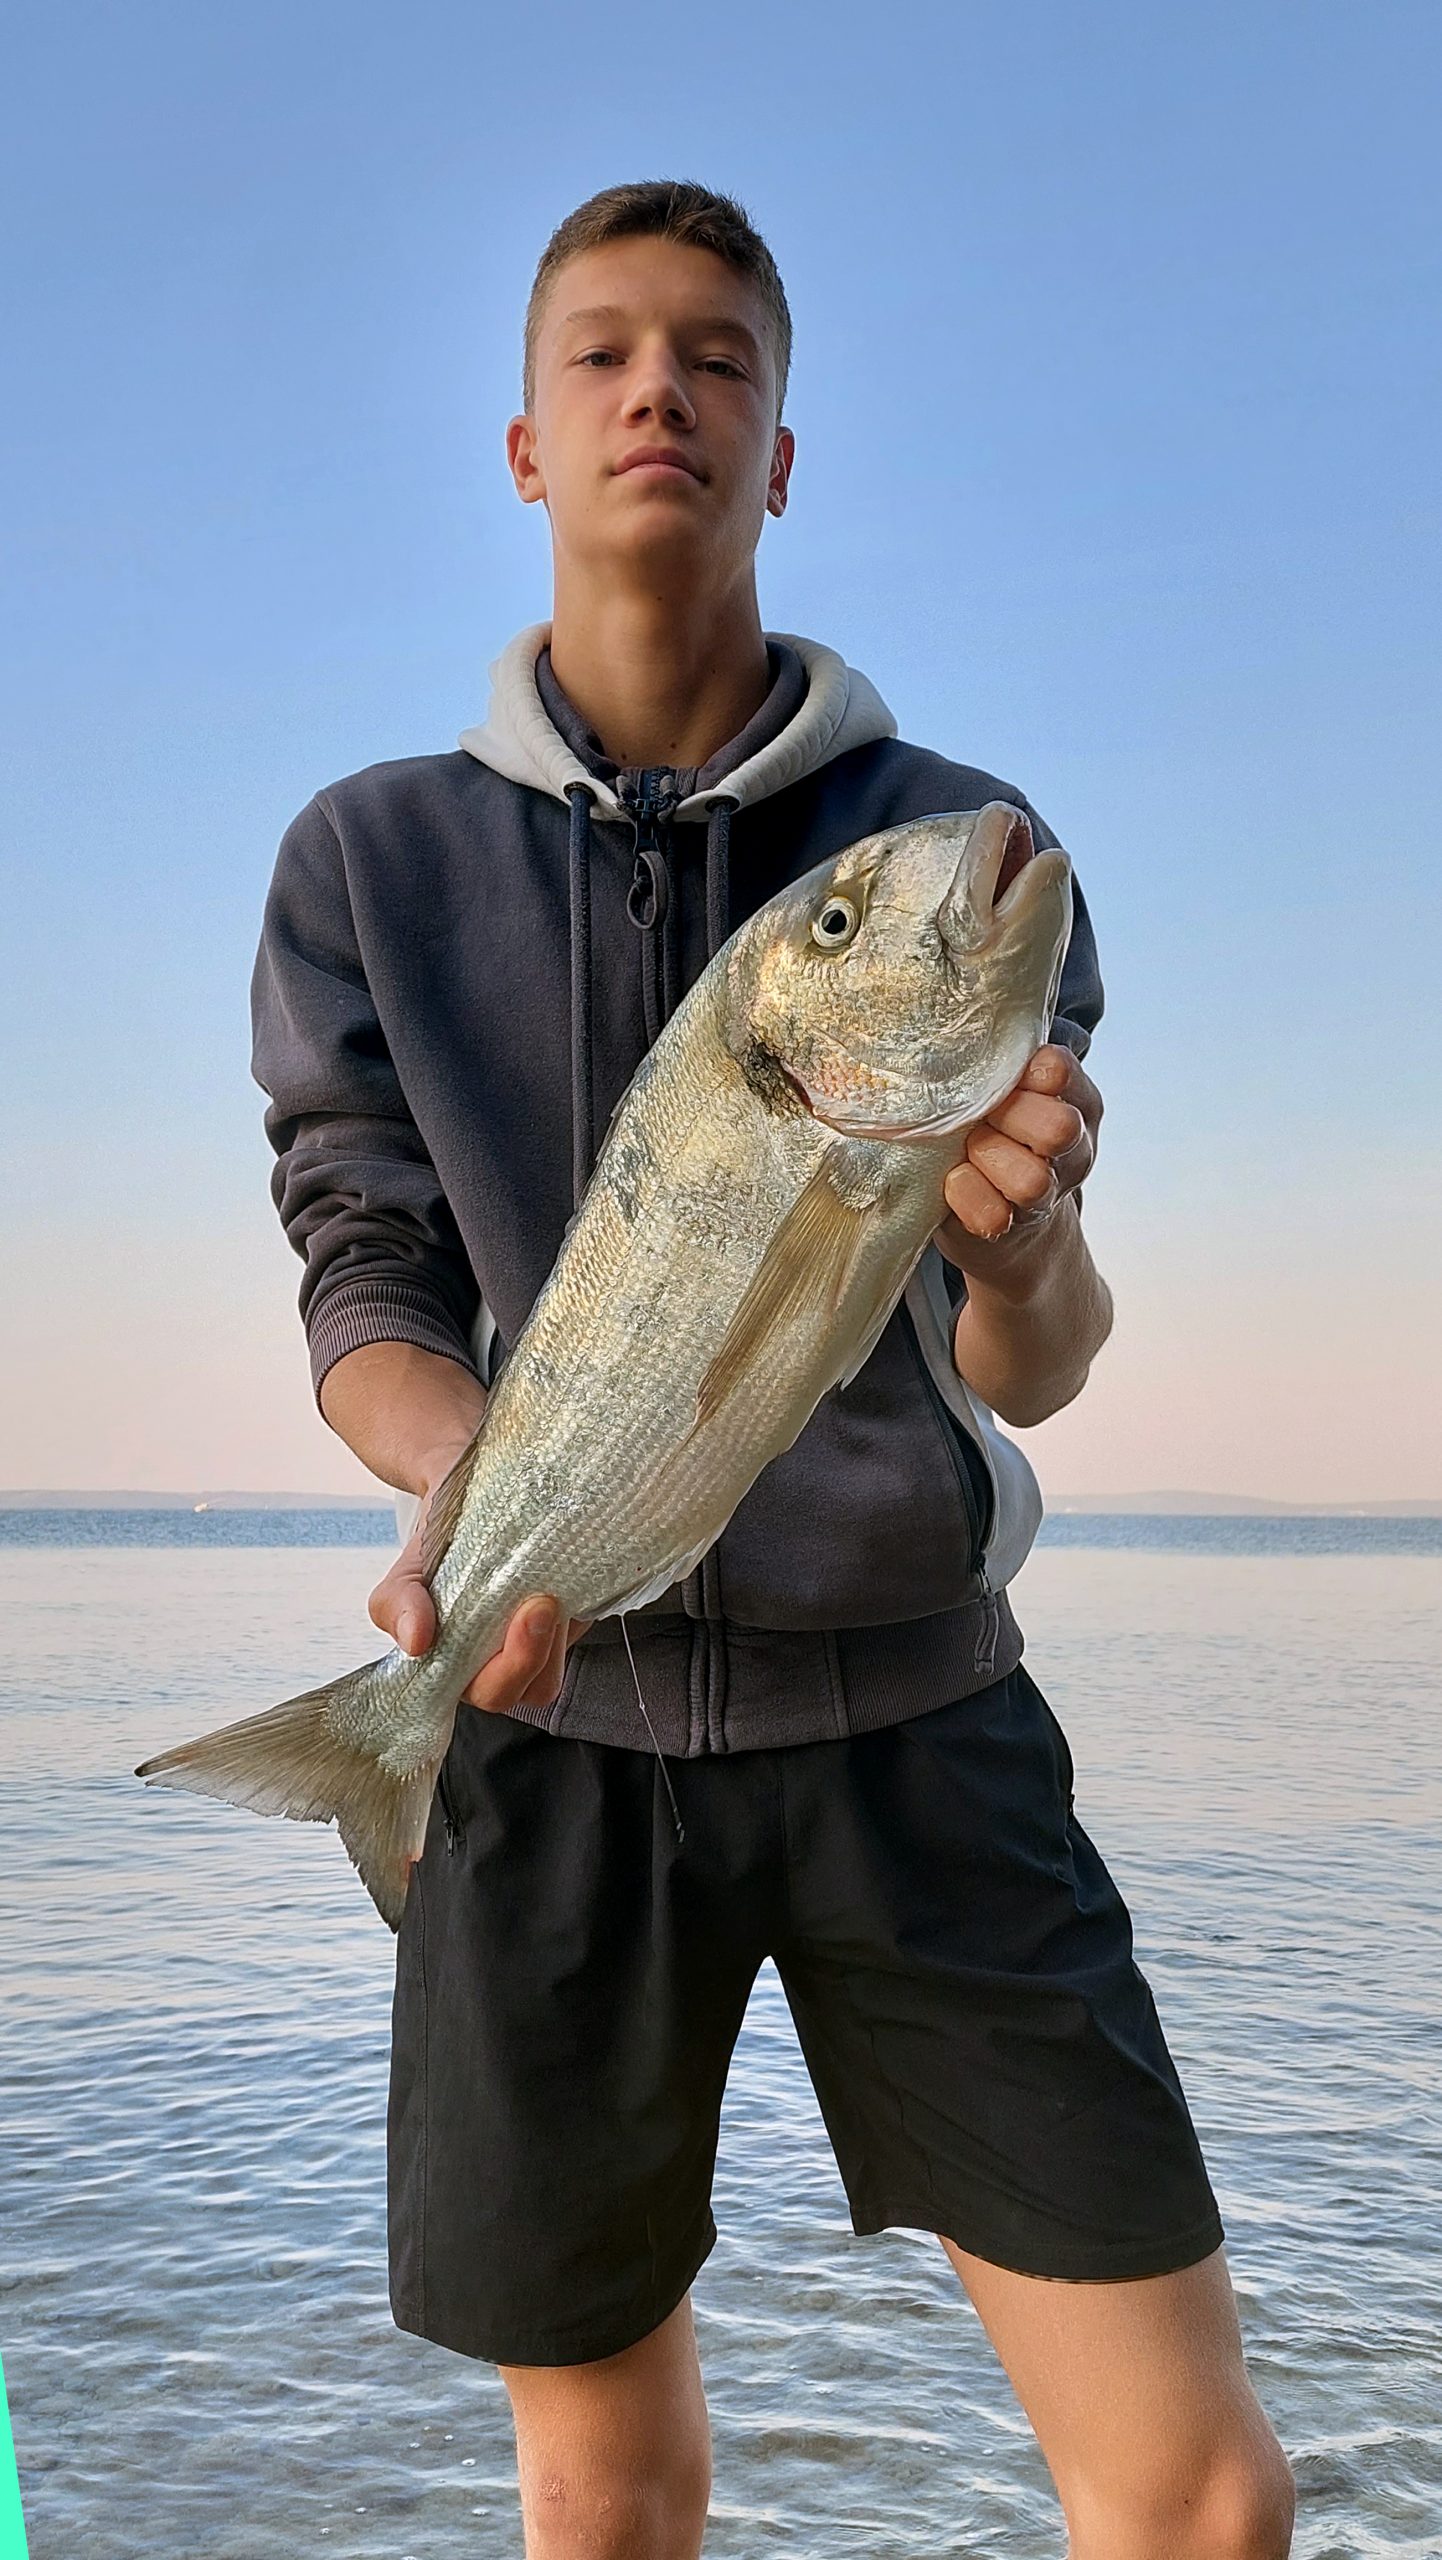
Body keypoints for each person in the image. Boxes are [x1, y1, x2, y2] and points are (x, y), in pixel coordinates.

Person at [250, 180, 1295, 2559]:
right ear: (523, 441)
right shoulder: (367, 863)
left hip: (922, 1728)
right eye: (604, 356)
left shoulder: (950, 857)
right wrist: (459, 1503)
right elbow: (366, 1283)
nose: (658, 394)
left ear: (780, 447)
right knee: (601, 2504)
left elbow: (1035, 1365)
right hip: (543, 1731)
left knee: (1205, 2497)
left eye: (715, 357)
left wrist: (1017, 1242)